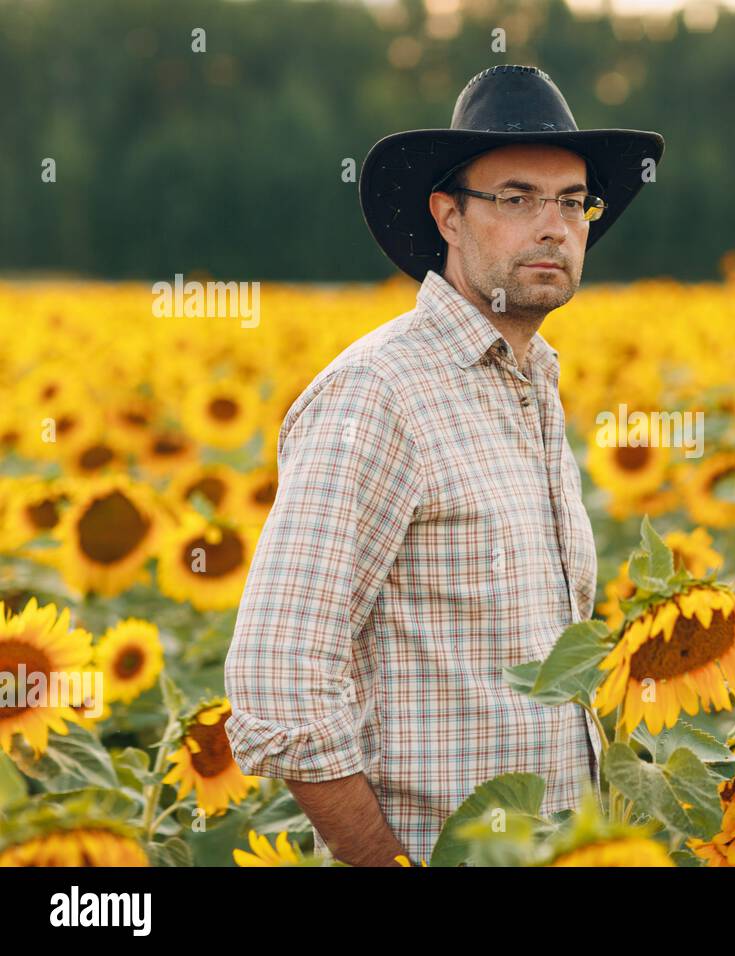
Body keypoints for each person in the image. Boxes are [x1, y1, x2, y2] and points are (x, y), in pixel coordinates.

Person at [224, 64, 664, 866]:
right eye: (517, 197)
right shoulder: (380, 394)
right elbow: (278, 676)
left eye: (573, 202)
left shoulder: (535, 384)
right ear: (448, 216)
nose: (554, 226)